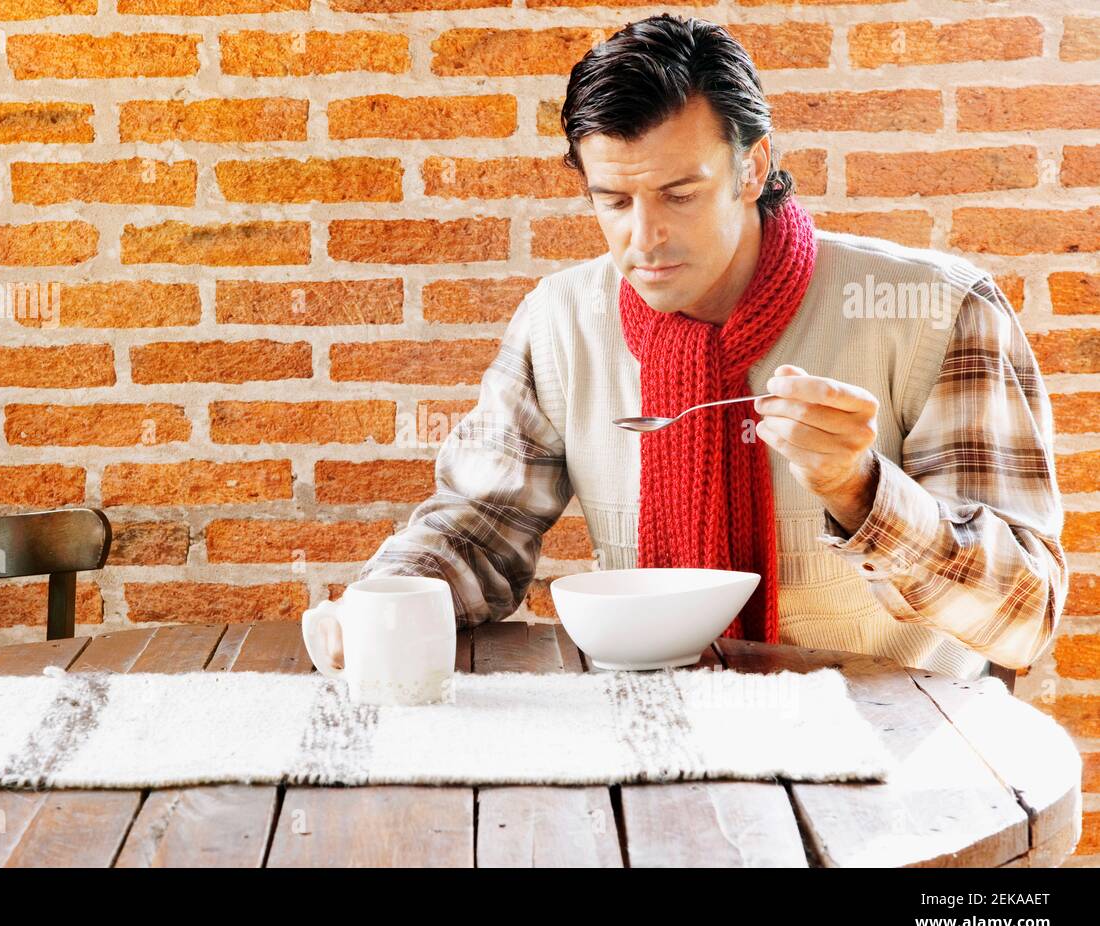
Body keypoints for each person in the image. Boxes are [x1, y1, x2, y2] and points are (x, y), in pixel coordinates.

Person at [315, 13, 1068, 681]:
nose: (644, 239)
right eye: (613, 201)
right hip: (658, 734)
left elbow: (1023, 616)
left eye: (679, 194)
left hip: (901, 748)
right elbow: (475, 533)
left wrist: (860, 489)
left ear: (753, 166)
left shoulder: (940, 310)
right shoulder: (560, 321)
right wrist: (381, 602)